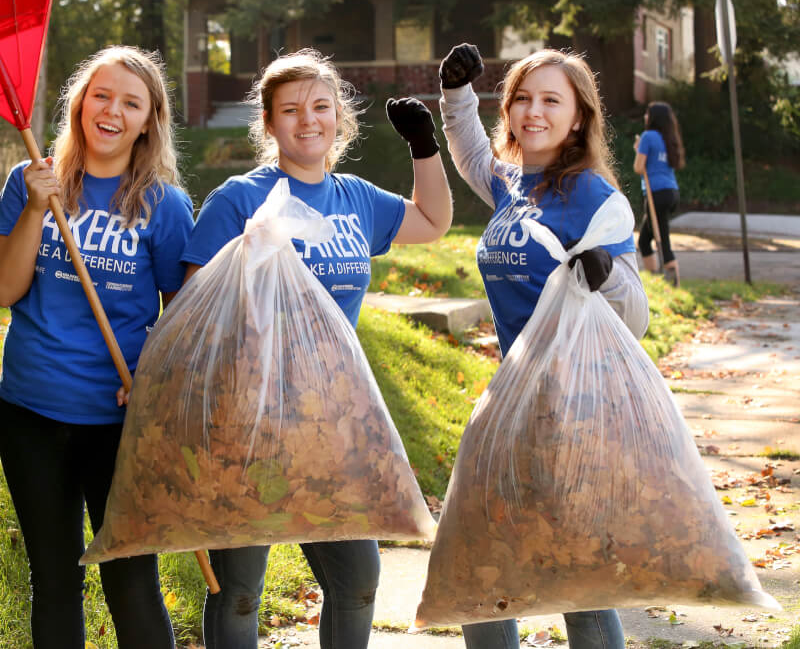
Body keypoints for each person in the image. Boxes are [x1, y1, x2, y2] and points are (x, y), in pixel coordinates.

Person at [180, 48, 452, 649]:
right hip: (250, 417)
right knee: (241, 587)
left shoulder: (354, 198)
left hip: (332, 420)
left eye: (321, 106)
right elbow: (191, 310)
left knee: (357, 579)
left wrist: (424, 147)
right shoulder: (237, 199)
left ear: (339, 118)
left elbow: (433, 221)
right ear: (270, 123)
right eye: (292, 109)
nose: (309, 120)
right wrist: (245, 259)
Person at [437, 43, 650, 649]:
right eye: (522, 99)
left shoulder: (593, 197)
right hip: (513, 397)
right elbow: (473, 153)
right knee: (482, 565)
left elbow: (635, 317)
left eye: (551, 100)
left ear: (579, 116)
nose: (532, 111)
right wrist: (456, 94)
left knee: (568, 576)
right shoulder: (511, 182)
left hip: (574, 409)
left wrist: (606, 273)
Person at [0, 46, 193, 649]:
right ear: (80, 103)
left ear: (150, 120)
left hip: (119, 419)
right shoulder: (32, 180)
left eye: (131, 102)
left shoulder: (164, 205)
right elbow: (3, 289)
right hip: (31, 410)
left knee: (130, 581)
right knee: (52, 581)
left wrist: (153, 368)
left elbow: (184, 320)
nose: (112, 111)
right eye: (101, 95)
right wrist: (32, 206)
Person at [634, 101, 685, 286]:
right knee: (646, 241)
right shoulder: (670, 138)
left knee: (661, 239)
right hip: (672, 193)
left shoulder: (648, 137)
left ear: (654, 117)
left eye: (648, 113)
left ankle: (671, 283)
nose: (645, 117)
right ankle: (656, 280)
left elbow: (639, 167)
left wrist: (638, 150)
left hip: (656, 193)